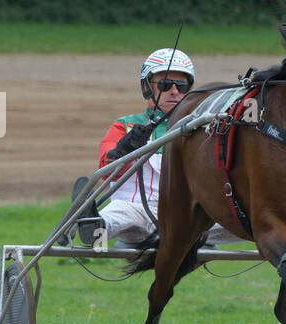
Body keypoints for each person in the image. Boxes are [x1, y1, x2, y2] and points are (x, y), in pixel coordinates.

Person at [72, 47, 195, 246]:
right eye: (165, 84)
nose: (174, 91)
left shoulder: (199, 126)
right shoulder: (125, 125)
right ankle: (94, 227)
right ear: (147, 87)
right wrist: (126, 147)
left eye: (181, 86)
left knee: (233, 216)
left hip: (187, 217)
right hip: (138, 212)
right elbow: (106, 170)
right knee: (120, 212)